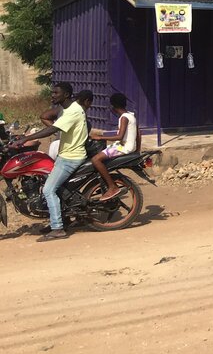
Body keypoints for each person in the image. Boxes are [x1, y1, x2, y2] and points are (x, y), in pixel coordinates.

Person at [12, 82, 90, 241]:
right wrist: (22, 137)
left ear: (66, 95)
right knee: (49, 182)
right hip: (66, 154)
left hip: (71, 157)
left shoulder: (73, 111)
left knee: (48, 190)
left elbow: (53, 129)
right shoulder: (66, 108)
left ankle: (58, 228)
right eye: (52, 92)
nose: (52, 95)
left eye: (56, 93)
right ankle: (63, 219)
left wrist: (27, 138)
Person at [91, 93, 138, 201]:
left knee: (95, 159)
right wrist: (137, 149)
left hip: (123, 147)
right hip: (128, 146)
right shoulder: (131, 115)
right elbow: (138, 133)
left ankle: (112, 187)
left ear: (113, 106)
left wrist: (100, 138)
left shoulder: (124, 118)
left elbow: (120, 136)